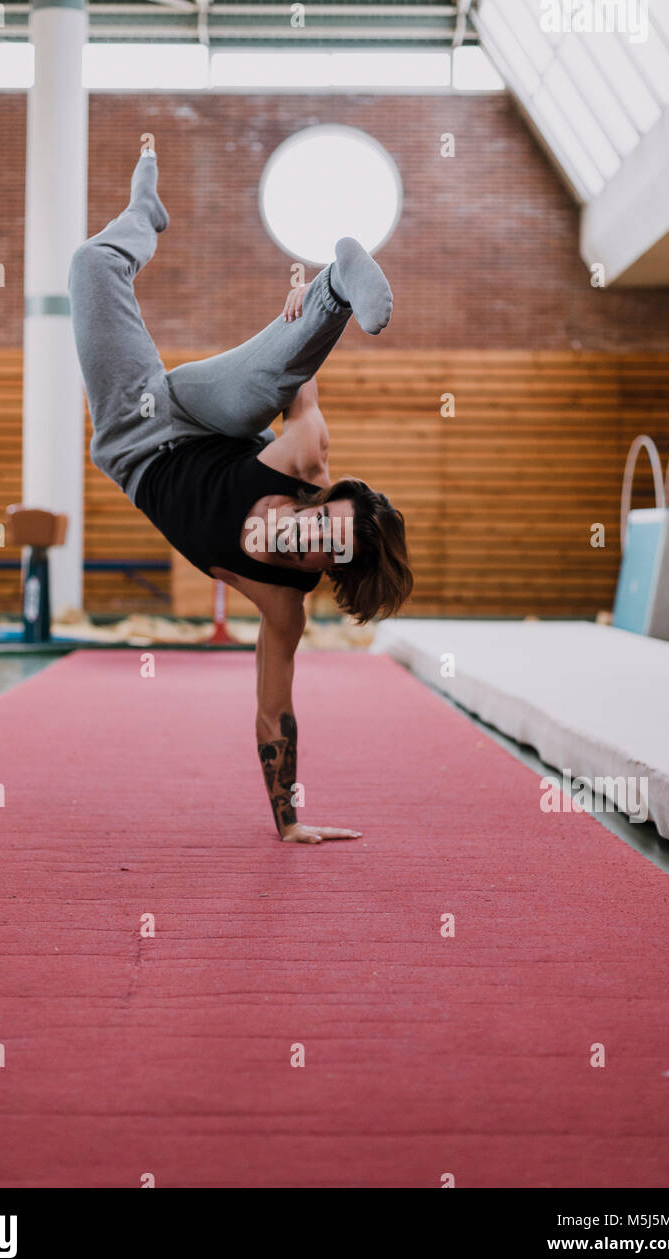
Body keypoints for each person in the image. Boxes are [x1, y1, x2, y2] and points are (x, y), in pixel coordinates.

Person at [69, 153, 412, 843]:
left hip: (136, 431)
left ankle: (142, 217)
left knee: (90, 266)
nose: (308, 537)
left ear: (330, 566)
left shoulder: (282, 606)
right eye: (322, 520)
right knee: (274, 379)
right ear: (322, 499)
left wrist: (288, 820)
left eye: (324, 548)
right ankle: (339, 285)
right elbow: (293, 386)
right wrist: (301, 315)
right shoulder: (305, 460)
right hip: (205, 406)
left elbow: (273, 714)